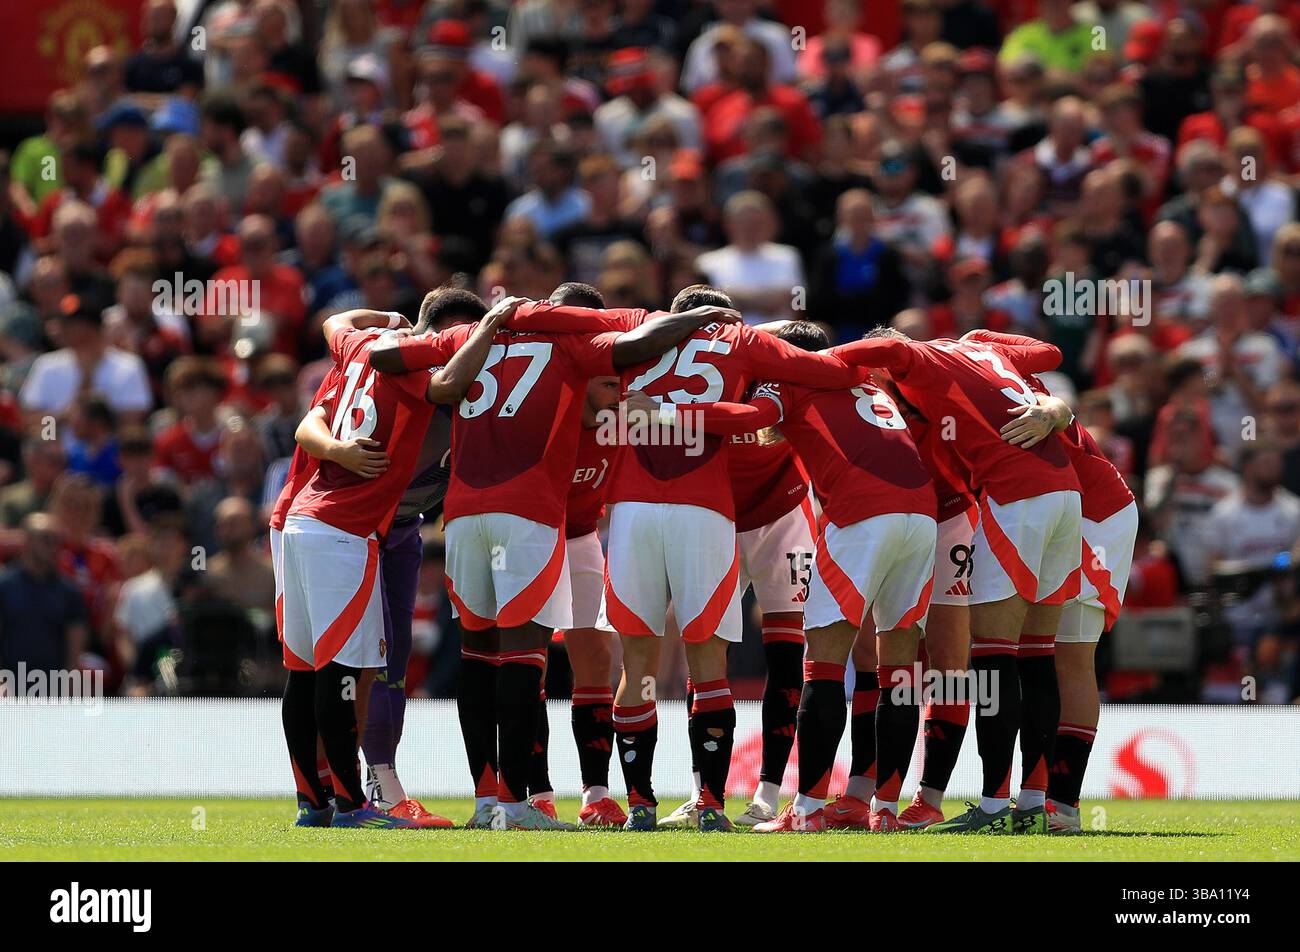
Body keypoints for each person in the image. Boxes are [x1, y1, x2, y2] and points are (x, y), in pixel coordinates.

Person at [371, 290, 741, 829]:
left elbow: (391, 360)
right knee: (525, 660)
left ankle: (515, 799)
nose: (614, 389)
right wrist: (692, 320)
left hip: (477, 516)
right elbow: (640, 338)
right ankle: (524, 801)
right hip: (530, 518)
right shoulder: (573, 355)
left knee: (491, 658)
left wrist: (379, 330)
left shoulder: (473, 339)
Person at [636, 320, 938, 832]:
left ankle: (807, 811)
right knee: (899, 671)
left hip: (861, 517)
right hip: (922, 516)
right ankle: (884, 810)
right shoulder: (864, 380)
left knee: (821, 666)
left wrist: (663, 410)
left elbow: (745, 417)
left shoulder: (794, 382)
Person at [829, 326, 1082, 833]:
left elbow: (1049, 355)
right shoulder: (885, 394)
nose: (871, 380)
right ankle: (866, 792)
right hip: (902, 516)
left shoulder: (923, 372)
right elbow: (1048, 353)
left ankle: (934, 799)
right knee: (876, 657)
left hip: (954, 517)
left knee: (953, 662)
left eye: (878, 371)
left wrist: (794, 361)